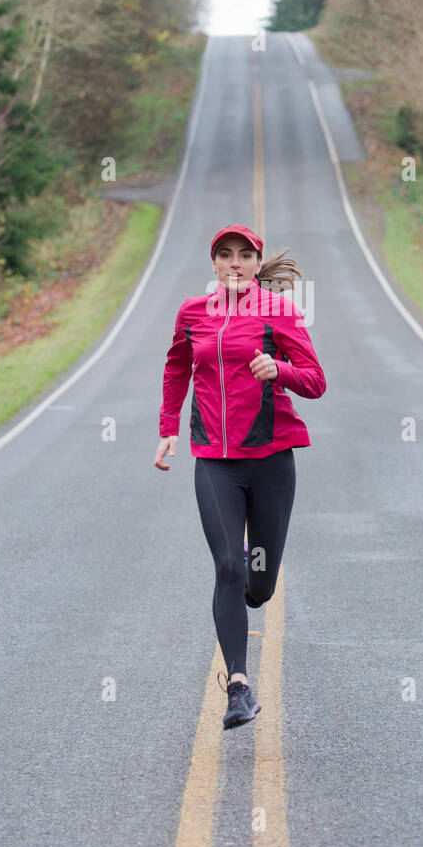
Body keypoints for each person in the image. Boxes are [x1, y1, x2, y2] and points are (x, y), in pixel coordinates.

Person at [154, 224, 326, 729]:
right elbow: (176, 367)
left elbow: (316, 381)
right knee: (228, 563)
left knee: (259, 581)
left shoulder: (280, 313)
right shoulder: (193, 313)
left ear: (256, 265)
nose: (234, 263)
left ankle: (256, 588)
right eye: (224, 255)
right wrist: (168, 429)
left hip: (272, 460)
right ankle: (238, 686)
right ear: (213, 265)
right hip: (215, 461)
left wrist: (279, 369)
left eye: (244, 256)